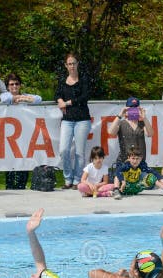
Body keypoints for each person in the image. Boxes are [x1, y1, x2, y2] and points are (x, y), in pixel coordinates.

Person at [55, 53, 91, 189]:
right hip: (67, 120)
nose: (72, 66)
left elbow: (85, 96)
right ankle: (67, 178)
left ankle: (77, 180)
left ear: (77, 64)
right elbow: (57, 94)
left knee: (79, 152)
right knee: (64, 150)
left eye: (74, 63)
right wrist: (60, 101)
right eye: (69, 63)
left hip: (82, 120)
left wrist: (67, 103)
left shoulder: (84, 79)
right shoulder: (62, 80)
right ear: (66, 65)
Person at [107, 96, 154, 165]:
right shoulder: (121, 123)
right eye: (131, 108)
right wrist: (120, 115)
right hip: (124, 161)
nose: (133, 111)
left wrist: (144, 118)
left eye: (135, 108)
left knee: (151, 176)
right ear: (126, 110)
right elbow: (111, 132)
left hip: (140, 162)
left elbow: (150, 134)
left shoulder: (142, 123)